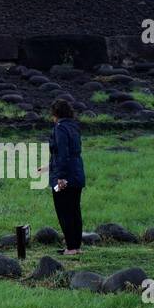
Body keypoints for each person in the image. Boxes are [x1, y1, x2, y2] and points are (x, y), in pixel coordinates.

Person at [48, 98, 86, 255]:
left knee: (63, 210)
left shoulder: (60, 128)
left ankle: (70, 248)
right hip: (77, 175)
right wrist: (47, 168)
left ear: (55, 114)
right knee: (74, 211)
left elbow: (62, 154)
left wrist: (60, 177)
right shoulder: (74, 127)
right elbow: (71, 153)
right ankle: (75, 246)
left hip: (63, 178)